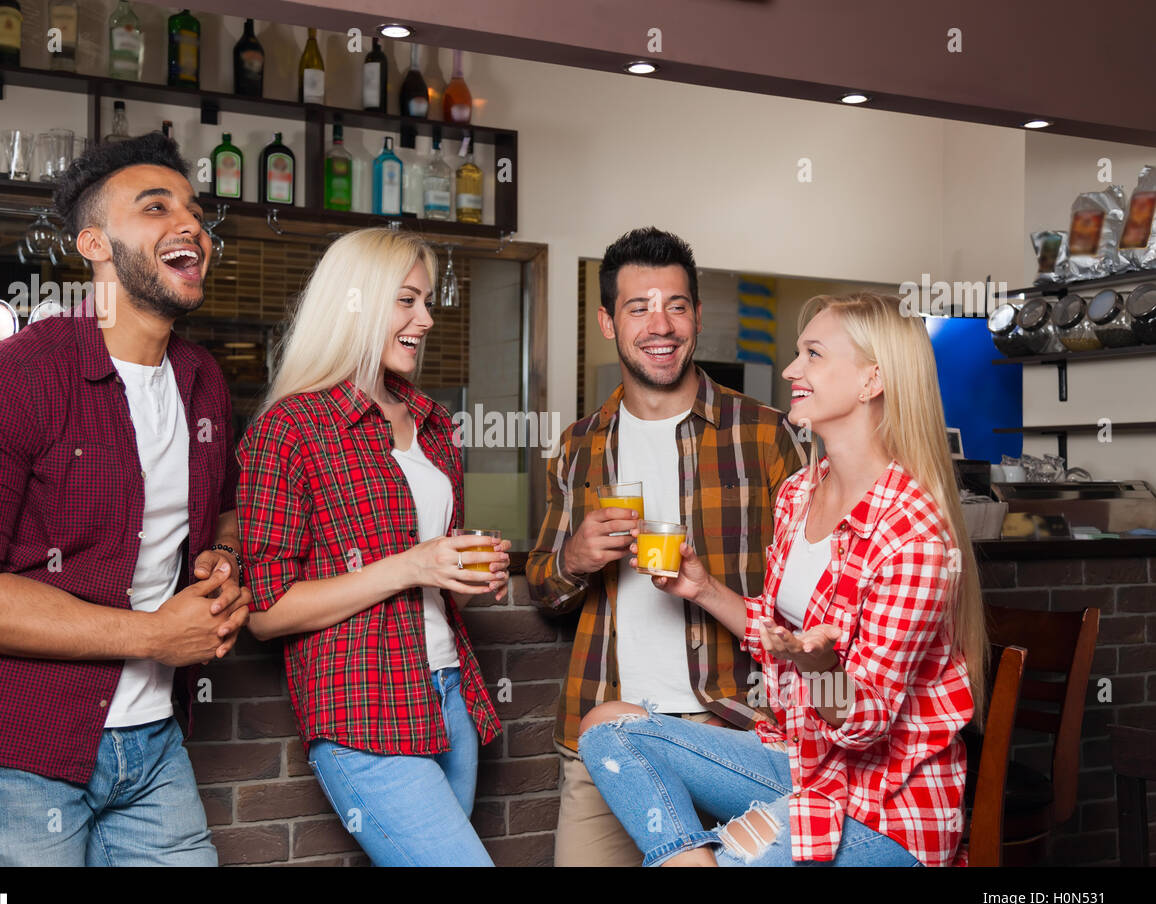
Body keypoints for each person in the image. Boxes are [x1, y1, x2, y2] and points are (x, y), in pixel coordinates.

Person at [0, 133, 251, 866]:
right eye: (156, 207)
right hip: (14, 749)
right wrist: (155, 636)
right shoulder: (13, 378)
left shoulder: (203, 382)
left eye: (194, 209)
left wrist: (222, 557)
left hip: (153, 741)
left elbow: (219, 513)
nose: (190, 224)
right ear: (93, 242)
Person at [577, 291, 987, 867]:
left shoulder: (913, 534)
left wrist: (818, 670)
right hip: (800, 763)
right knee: (605, 728)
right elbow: (775, 638)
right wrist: (702, 588)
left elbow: (865, 725)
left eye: (813, 355)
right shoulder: (800, 493)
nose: (792, 370)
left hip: (884, 811)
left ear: (872, 379)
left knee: (736, 855)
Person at [526, 227, 807, 866]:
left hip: (732, 732)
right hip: (607, 731)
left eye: (676, 306)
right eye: (638, 308)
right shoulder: (578, 445)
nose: (661, 325)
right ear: (607, 322)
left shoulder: (764, 436)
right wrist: (572, 558)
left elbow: (809, 599)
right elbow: (543, 586)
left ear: (697, 317)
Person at [237, 228, 508, 867]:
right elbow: (266, 611)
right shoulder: (289, 429)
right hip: (364, 706)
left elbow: (432, 564)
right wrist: (412, 564)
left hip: (449, 692)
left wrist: (468, 574)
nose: (427, 319)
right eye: (407, 301)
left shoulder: (433, 424)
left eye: (428, 301)